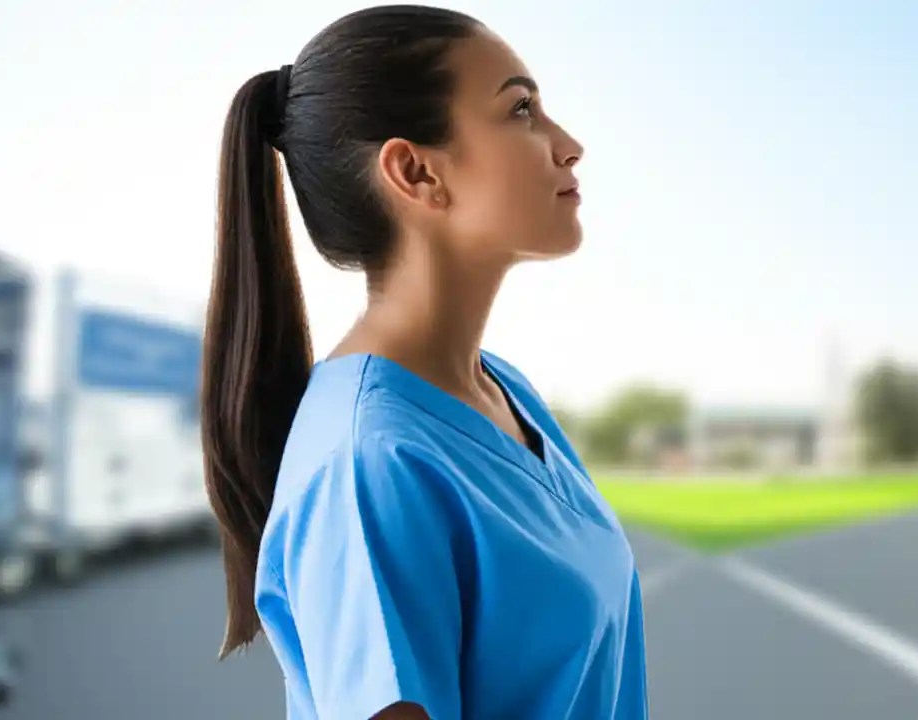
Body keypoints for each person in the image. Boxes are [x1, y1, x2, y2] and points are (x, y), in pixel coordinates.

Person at [198, 5, 648, 719]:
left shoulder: (505, 391)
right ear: (414, 171)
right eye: (522, 109)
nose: (569, 145)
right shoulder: (372, 461)